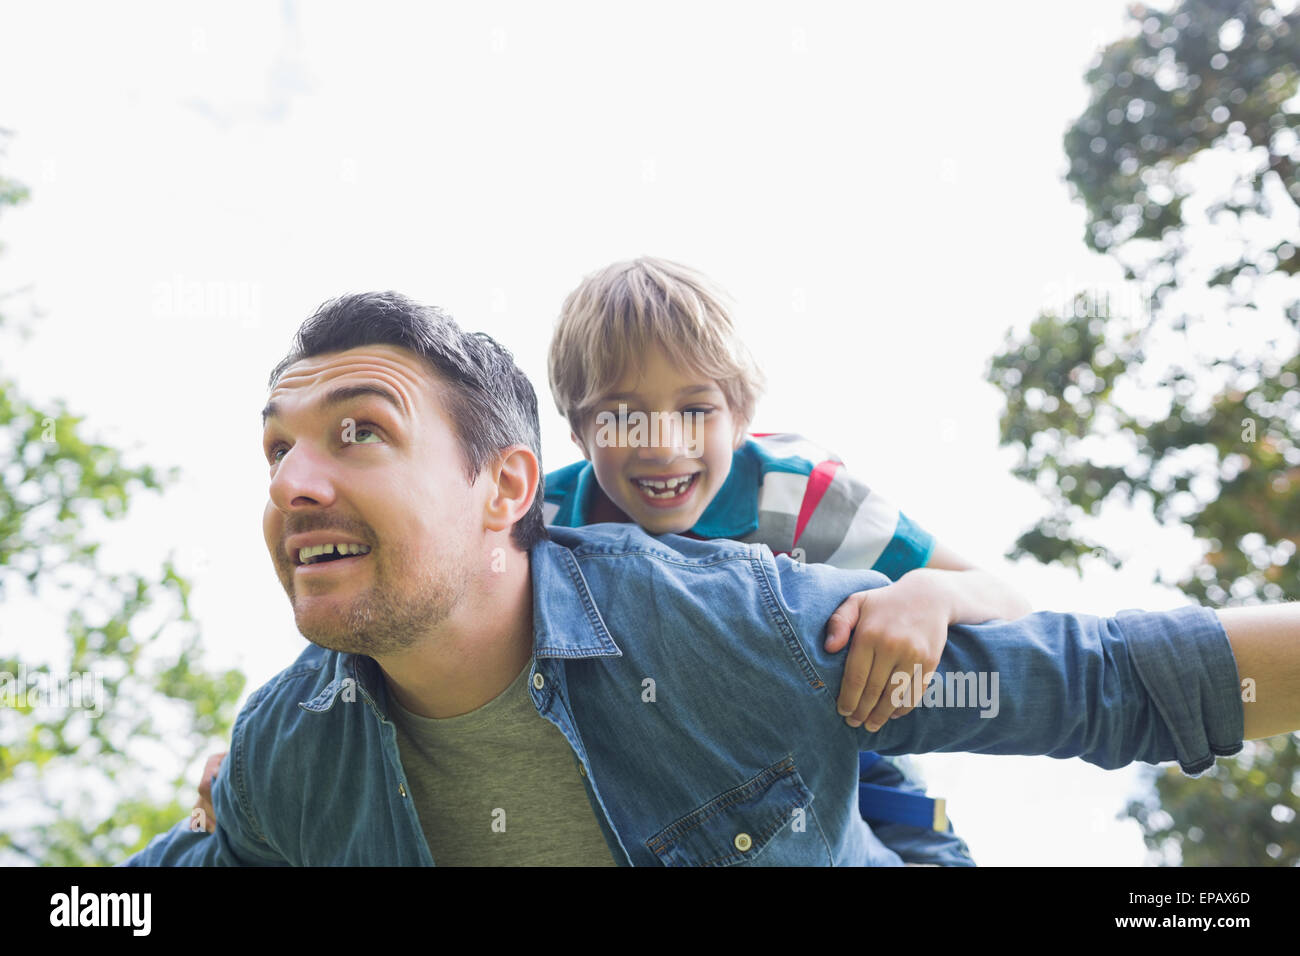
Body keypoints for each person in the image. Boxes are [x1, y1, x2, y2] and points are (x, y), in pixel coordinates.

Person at [124, 291, 1299, 866]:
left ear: (507, 486)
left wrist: (931, 598)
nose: (292, 480)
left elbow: (1108, 677)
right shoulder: (291, 745)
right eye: (276, 448)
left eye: (358, 432)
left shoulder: (758, 591)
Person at [544, 256, 1033, 864]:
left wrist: (932, 594)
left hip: (854, 752)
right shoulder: (546, 525)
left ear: (741, 418)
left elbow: (1011, 605)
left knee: (918, 833)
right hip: (666, 772)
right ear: (577, 430)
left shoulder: (797, 498)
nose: (663, 446)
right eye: (621, 416)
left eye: (696, 410)